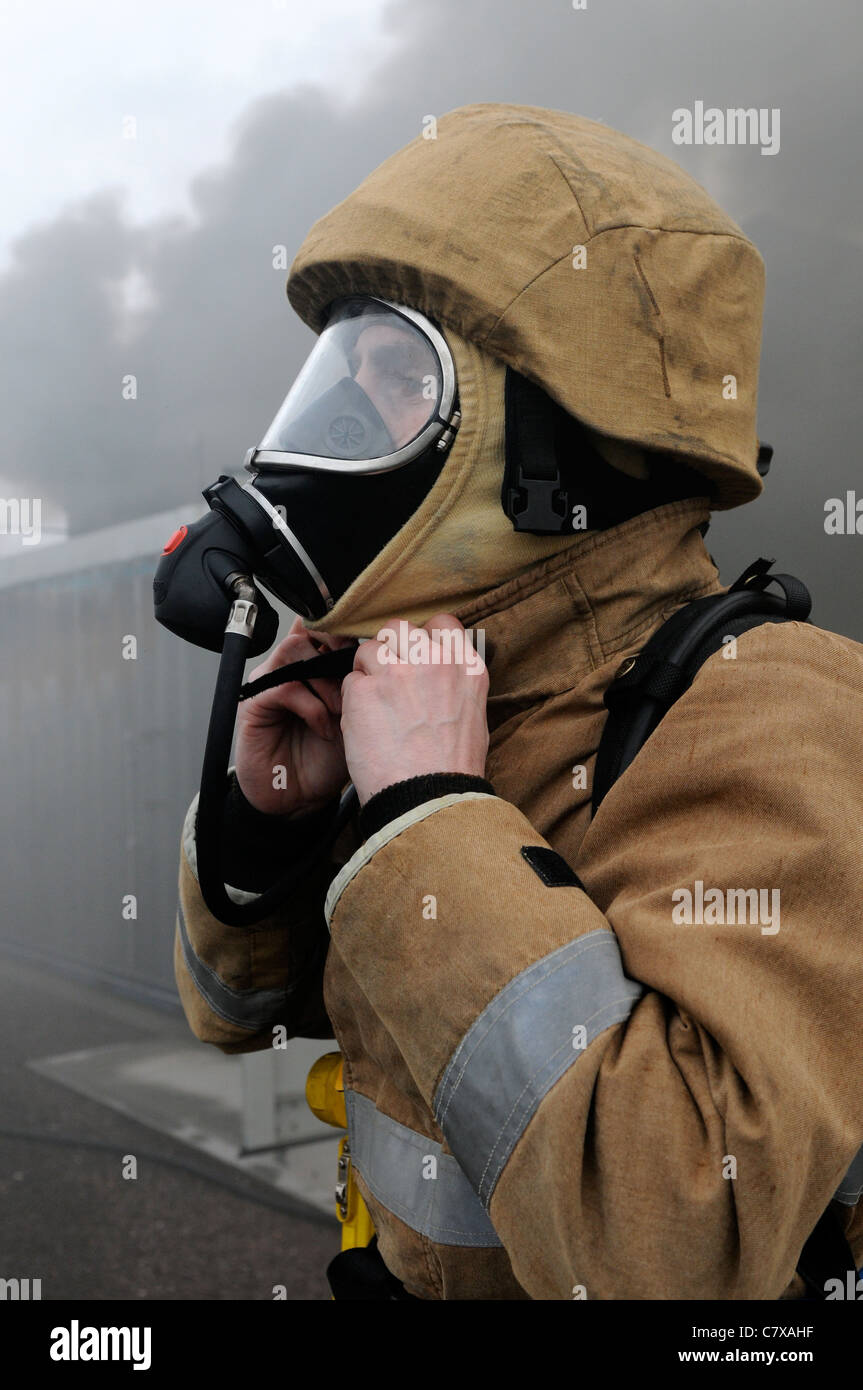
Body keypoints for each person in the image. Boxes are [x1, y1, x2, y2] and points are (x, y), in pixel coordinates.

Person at [174, 103, 863, 1299]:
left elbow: (678, 1250)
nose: (348, 423)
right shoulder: (426, 687)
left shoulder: (775, 712)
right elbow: (235, 1014)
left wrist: (432, 815)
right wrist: (270, 819)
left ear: (553, 435)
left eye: (406, 378)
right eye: (354, 373)